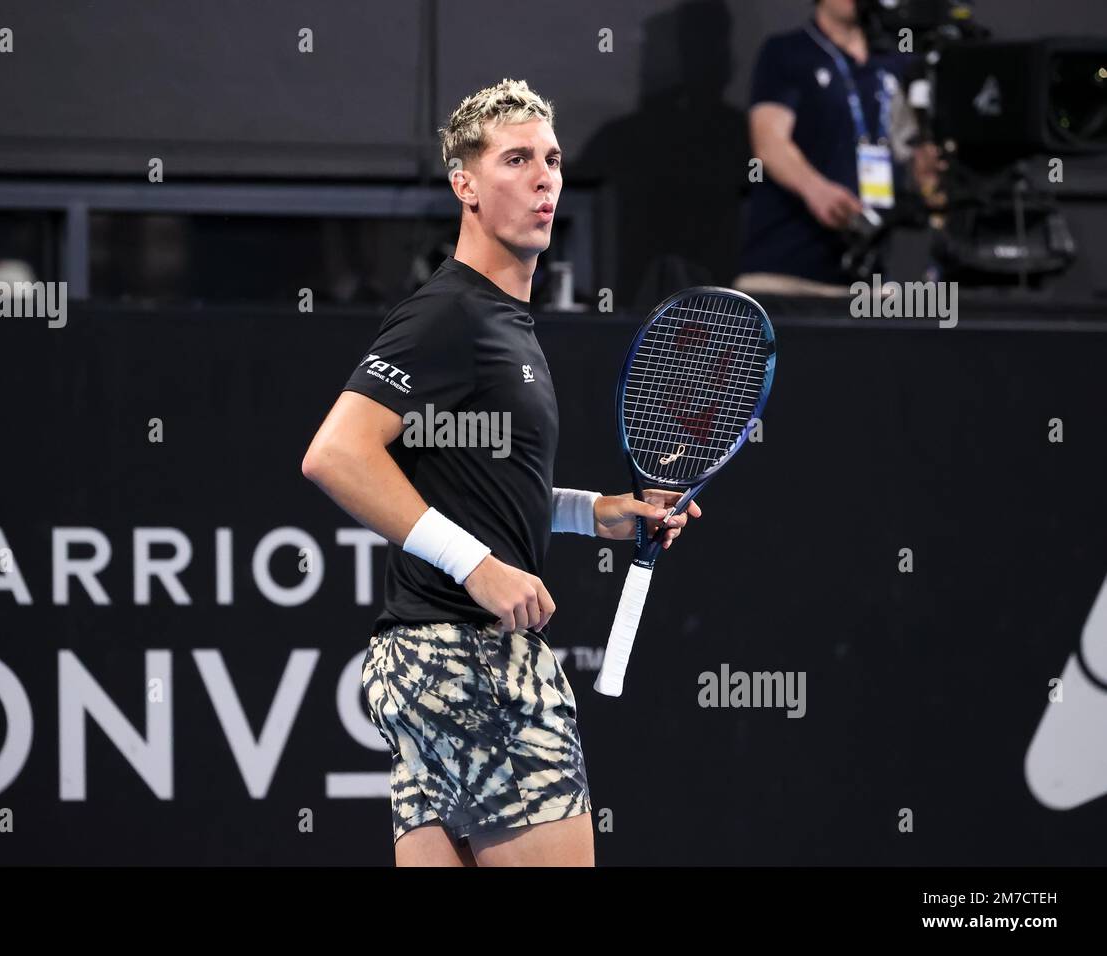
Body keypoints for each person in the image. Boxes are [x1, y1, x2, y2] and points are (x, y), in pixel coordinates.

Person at [301, 78, 701, 867]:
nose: (544, 177)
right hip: (469, 656)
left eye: (551, 159)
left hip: (421, 663)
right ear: (466, 184)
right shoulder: (453, 314)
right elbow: (335, 454)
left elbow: (477, 487)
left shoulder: (500, 323)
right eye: (516, 159)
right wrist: (479, 568)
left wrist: (598, 513)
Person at [736, 0, 935, 294]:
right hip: (788, 275)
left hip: (867, 280)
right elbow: (769, 142)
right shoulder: (789, 52)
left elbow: (914, 151)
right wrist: (816, 190)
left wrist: (929, 171)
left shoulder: (895, 63)